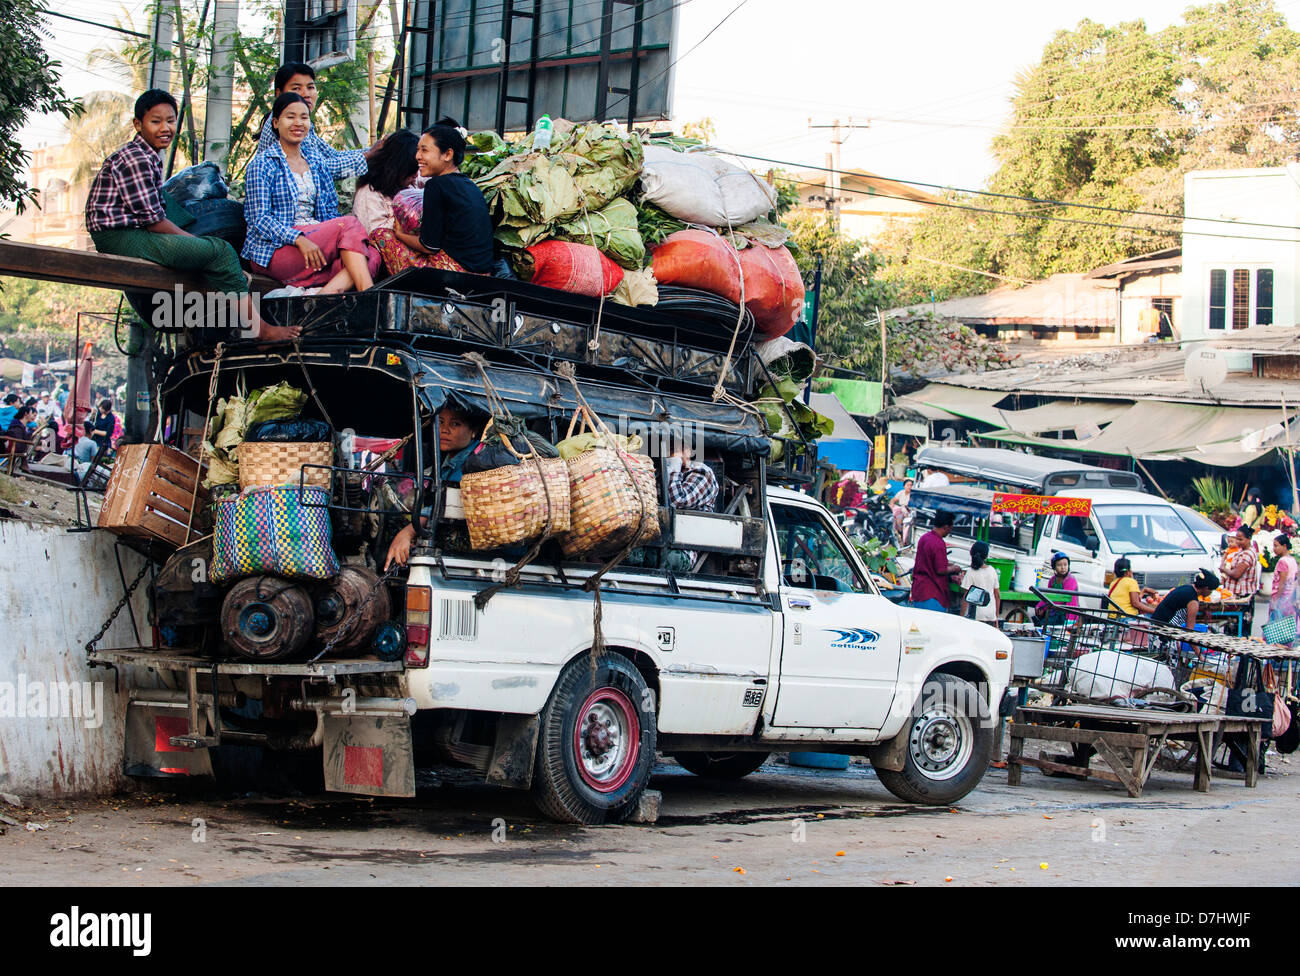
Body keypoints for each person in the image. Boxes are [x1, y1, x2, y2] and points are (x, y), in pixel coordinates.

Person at [85, 89, 292, 343]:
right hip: (119, 236)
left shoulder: (149, 155)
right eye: (155, 121)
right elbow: (153, 222)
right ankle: (261, 330)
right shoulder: (136, 158)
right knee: (221, 252)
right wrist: (195, 244)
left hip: (131, 230)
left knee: (201, 235)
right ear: (138, 124)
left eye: (170, 121)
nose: (165, 128)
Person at [242, 93, 382, 294]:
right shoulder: (262, 164)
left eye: (304, 117)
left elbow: (329, 213)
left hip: (315, 247)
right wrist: (299, 238)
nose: (298, 123)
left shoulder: (316, 163)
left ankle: (318, 303)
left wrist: (331, 240)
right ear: (275, 123)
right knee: (349, 224)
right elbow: (260, 220)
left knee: (372, 255)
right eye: (290, 117)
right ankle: (369, 298)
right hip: (274, 250)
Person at [370, 118, 495, 276]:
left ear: (447, 154)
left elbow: (429, 246)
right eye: (418, 150)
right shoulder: (468, 184)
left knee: (380, 235)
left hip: (458, 274)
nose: (417, 156)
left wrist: (400, 234)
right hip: (484, 274)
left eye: (424, 150)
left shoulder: (437, 185)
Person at [384, 405, 487, 569]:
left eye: (455, 424)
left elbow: (447, 502)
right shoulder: (449, 461)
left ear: (473, 430)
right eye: (440, 422)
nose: (444, 430)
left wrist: (407, 533)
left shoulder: (475, 461)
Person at [256, 62, 385, 172]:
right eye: (296, 88)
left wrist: (375, 149)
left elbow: (332, 156)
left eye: (310, 87)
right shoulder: (286, 125)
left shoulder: (303, 122)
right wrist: (368, 155)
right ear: (279, 94)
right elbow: (317, 169)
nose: (306, 94)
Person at [351, 129, 420, 236]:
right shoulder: (369, 193)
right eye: (412, 170)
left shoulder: (404, 185)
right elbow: (378, 236)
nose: (416, 175)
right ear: (398, 167)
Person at [910, 509, 963, 612]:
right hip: (932, 594)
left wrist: (947, 563)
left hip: (919, 589)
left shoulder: (924, 538)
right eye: (950, 528)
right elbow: (940, 569)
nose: (950, 531)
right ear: (946, 527)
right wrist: (954, 568)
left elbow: (928, 561)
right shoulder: (938, 543)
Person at [1152, 569, 1219, 631]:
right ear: (1206, 588)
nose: (1210, 593)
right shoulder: (1193, 601)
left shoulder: (1185, 588)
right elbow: (1189, 629)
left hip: (1154, 626)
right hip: (1163, 631)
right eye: (1211, 590)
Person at [1033, 552, 1080, 625]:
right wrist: (1039, 606)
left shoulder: (1070, 580)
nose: (1063, 567)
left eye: (1065, 564)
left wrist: (1044, 607)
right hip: (1055, 611)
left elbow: (1063, 598)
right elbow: (1048, 595)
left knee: (1042, 625)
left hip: (1067, 615)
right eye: (1059, 565)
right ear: (1054, 567)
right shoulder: (1052, 580)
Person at [960, 540, 1000, 624]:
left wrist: (961, 617)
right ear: (986, 556)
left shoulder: (971, 572)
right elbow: (997, 595)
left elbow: (966, 597)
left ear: (971, 554)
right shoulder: (992, 570)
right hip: (990, 615)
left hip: (976, 616)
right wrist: (996, 618)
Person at [1269, 534, 1298, 632]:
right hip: (1289, 599)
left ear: (1284, 546)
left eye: (1276, 545)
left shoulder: (1282, 562)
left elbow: (1281, 583)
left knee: (1275, 630)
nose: (1274, 549)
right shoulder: (1292, 560)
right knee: (1286, 629)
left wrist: (1276, 601)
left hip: (1281, 599)